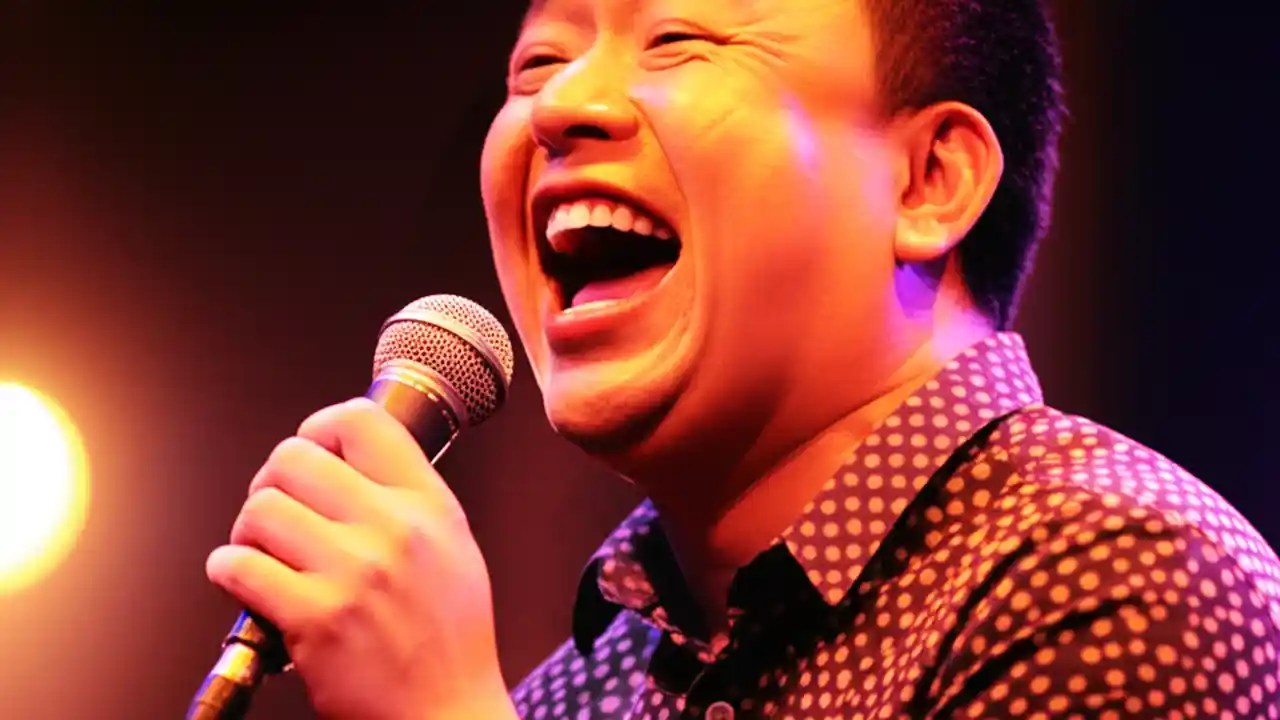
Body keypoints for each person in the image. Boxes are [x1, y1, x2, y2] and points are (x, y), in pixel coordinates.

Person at [206, 0, 1280, 718]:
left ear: (927, 182)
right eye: (536, 60)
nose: (562, 104)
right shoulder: (584, 690)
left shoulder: (1120, 583)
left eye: (677, 40)